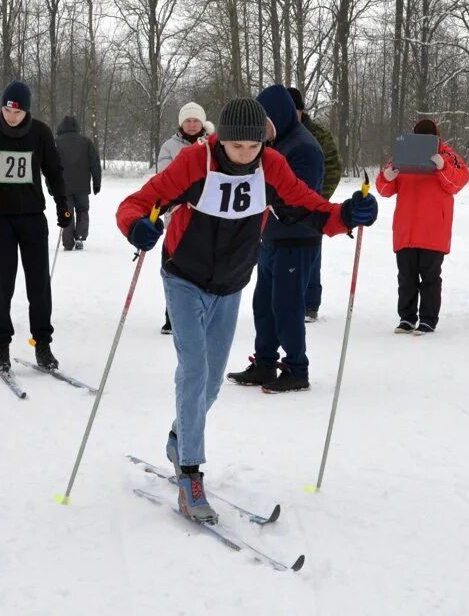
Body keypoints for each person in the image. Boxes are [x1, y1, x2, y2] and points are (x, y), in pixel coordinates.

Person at [116, 97, 378, 523]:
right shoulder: (194, 162)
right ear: (221, 140)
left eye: (252, 147)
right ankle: (190, 474)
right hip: (183, 275)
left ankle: (179, 439)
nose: (244, 155)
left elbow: (307, 208)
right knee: (194, 370)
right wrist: (137, 226)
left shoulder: (271, 166)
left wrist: (347, 214)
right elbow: (139, 203)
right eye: (236, 146)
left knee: (214, 383)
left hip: (231, 283)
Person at [0, 81, 70, 371]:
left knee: (39, 285)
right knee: (2, 284)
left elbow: (54, 172)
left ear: (26, 111)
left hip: (33, 217)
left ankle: (43, 345)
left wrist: (63, 204)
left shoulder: (41, 133)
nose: (11, 116)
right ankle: (1, 346)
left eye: (17, 112)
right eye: (7, 109)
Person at [226, 84, 325, 393]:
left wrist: (264, 201)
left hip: (297, 240)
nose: (260, 130)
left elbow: (301, 198)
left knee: (286, 306)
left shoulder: (304, 148)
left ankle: (297, 368)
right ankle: (265, 363)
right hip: (271, 238)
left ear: (279, 116)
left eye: (264, 122)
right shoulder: (273, 145)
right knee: (263, 305)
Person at [375, 118, 469, 334]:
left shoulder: (449, 156)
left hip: (434, 229)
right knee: (406, 277)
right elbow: (383, 190)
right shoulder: (402, 154)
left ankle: (428, 319)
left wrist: (442, 167)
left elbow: (458, 183)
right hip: (406, 228)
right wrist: (387, 177)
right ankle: (407, 318)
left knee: (430, 277)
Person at [287, 87, 343, 322]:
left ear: (301, 111)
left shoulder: (317, 134)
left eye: (295, 110)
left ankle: (310, 305)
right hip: (279, 209)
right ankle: (284, 301)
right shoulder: (272, 134)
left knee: (311, 255)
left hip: (312, 208)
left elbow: (334, 167)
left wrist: (319, 199)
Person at [157, 101, 208, 334]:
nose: (191, 124)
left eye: (195, 120)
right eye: (187, 120)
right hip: (178, 215)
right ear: (181, 123)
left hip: (206, 216)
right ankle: (173, 316)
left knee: (204, 266)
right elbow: (166, 177)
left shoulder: (213, 145)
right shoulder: (169, 146)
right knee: (175, 267)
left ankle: (203, 313)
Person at [53, 115, 101, 251]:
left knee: (67, 212)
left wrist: (51, 186)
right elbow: (95, 164)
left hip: (63, 187)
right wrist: (97, 183)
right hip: (82, 187)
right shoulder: (86, 142)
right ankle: (80, 237)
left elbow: (50, 166)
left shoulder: (57, 143)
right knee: (82, 211)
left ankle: (68, 242)